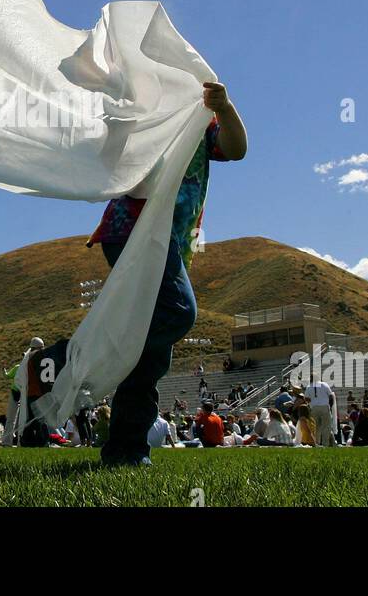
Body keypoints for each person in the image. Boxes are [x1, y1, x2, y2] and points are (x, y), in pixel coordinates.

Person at [84, 81, 248, 466]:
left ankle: (125, 451)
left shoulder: (198, 124)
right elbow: (126, 174)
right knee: (178, 312)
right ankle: (74, 361)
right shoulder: (141, 117)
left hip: (167, 242)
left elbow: (237, 149)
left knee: (152, 358)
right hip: (135, 232)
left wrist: (224, 108)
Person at [306, 378, 336, 447]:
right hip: (324, 407)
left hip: (314, 407)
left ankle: (317, 443)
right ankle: (325, 444)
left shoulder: (309, 386)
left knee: (316, 427)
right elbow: (331, 396)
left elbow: (306, 399)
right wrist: (330, 407)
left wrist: (311, 405)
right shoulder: (325, 384)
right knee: (326, 427)